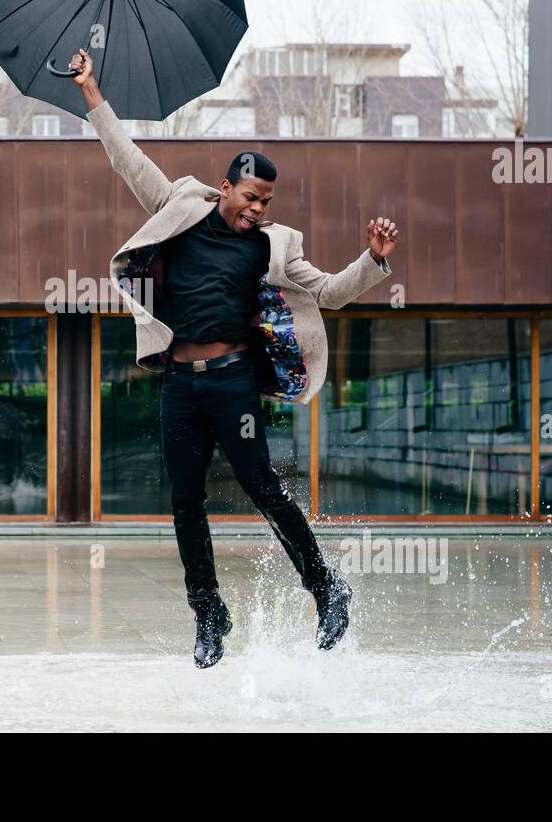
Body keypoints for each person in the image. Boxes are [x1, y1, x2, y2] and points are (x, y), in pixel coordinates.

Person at [70, 48, 400, 668]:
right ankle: (208, 613)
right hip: (178, 385)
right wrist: (93, 93)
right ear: (225, 188)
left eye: (266, 202)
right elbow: (124, 157)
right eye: (251, 196)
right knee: (184, 499)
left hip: (232, 383)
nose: (257, 209)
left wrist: (373, 260)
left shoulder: (275, 248)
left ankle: (327, 588)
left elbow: (327, 292)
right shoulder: (178, 209)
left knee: (262, 487)